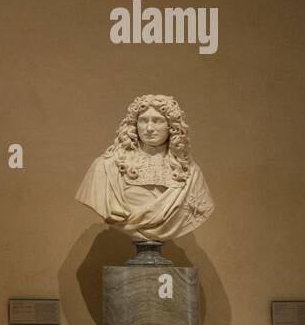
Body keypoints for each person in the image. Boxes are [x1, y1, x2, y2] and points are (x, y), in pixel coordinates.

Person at [76, 94, 213, 241]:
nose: (149, 128)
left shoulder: (190, 173)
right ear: (134, 125)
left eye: (157, 121)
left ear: (172, 127)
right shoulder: (106, 167)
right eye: (143, 121)